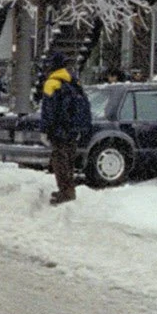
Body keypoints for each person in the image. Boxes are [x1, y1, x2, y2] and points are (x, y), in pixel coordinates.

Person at [39, 54, 92, 205]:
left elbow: (48, 110)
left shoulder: (52, 83)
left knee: (59, 161)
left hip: (59, 129)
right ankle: (69, 190)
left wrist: (45, 129)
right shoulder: (73, 81)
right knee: (69, 160)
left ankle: (65, 192)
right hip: (72, 129)